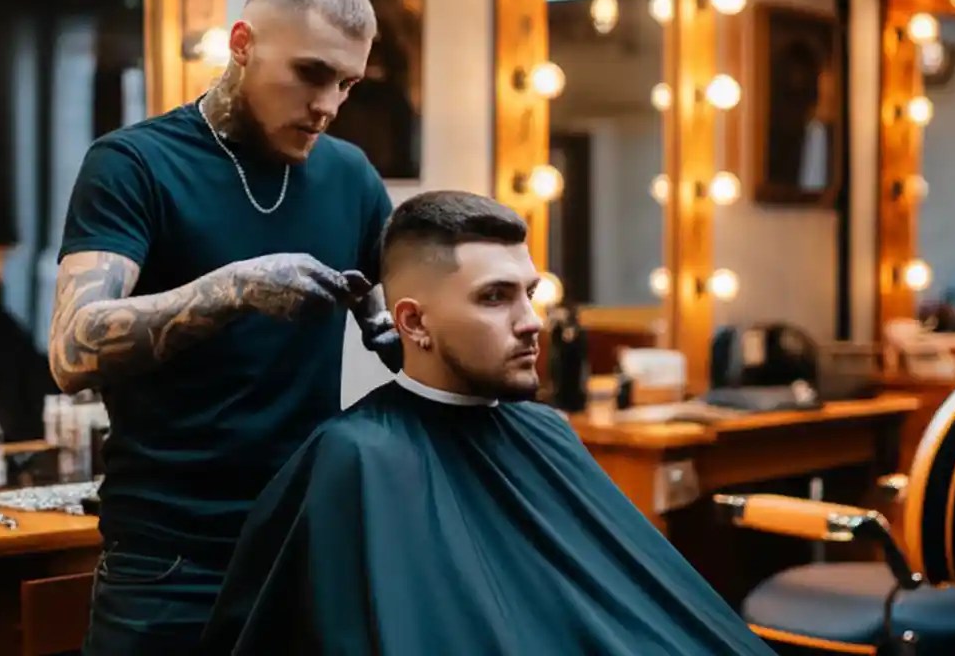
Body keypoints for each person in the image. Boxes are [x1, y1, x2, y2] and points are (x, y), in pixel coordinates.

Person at [200, 191, 775, 655]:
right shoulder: (358, 458)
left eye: (530, 293)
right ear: (413, 323)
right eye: (495, 298)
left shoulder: (546, 432)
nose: (532, 322)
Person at [47, 0, 400, 654]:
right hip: (167, 562)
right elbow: (71, 350)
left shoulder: (351, 176)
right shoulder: (134, 165)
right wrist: (233, 289)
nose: (328, 105)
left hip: (300, 547)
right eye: (311, 73)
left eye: (347, 83)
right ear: (242, 43)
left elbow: (401, 324)